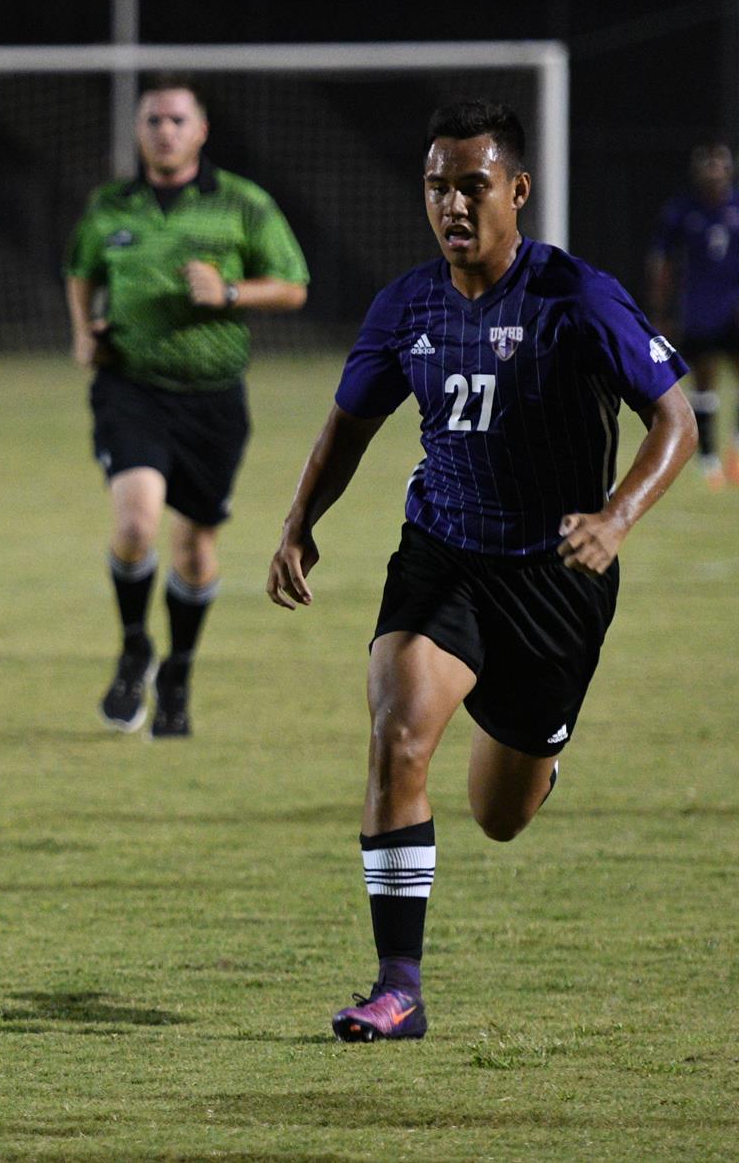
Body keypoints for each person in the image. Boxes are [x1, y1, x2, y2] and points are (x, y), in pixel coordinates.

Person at [266, 100, 696, 1042]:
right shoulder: (406, 307)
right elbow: (350, 422)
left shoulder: (578, 297)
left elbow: (678, 418)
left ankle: (539, 758)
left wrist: (618, 517)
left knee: (499, 815)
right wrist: (300, 523)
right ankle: (399, 986)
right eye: (436, 185)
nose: (452, 204)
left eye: (472, 185)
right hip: (445, 554)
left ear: (517, 191)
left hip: (555, 580)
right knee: (399, 731)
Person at [63, 78, 309, 737]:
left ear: (200, 131)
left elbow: (293, 287)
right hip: (132, 387)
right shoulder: (111, 205)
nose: (164, 130)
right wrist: (84, 330)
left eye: (177, 119)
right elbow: (81, 267)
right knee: (137, 524)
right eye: (153, 120)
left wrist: (229, 291)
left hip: (213, 400)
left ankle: (178, 670)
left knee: (196, 549)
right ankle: (135, 643)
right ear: (139, 131)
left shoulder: (241, 203)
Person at [648, 142, 739, 487]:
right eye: (708, 165)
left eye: (719, 165)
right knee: (704, 380)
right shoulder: (682, 211)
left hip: (734, 307)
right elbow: (663, 260)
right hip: (699, 308)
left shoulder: (736, 206)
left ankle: (736, 450)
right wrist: (660, 308)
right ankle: (709, 458)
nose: (714, 172)